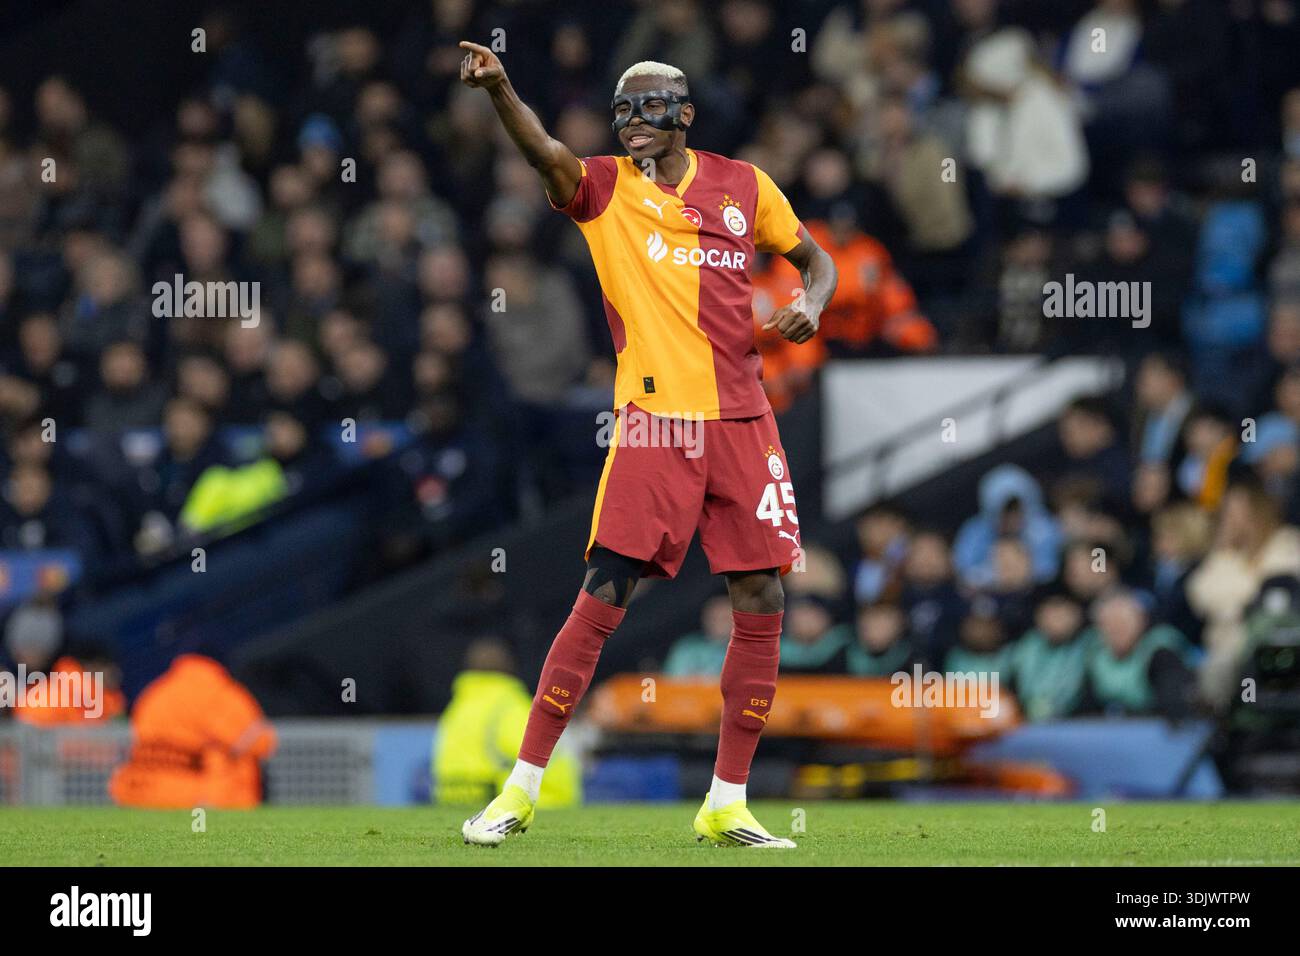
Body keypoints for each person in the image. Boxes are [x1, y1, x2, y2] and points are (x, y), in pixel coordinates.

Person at [456, 41, 837, 849]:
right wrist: (501, 89)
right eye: (624, 108)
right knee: (605, 592)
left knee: (763, 597)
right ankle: (521, 789)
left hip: (744, 419)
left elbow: (815, 259)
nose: (634, 120)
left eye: (652, 106)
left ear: (685, 116)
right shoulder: (600, 191)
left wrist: (813, 300)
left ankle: (727, 801)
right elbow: (543, 151)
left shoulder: (743, 185)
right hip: (656, 424)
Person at [434, 639, 580, 808]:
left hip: (453, 804)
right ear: (511, 671)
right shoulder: (511, 707)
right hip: (505, 807)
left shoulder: (455, 709)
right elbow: (553, 767)